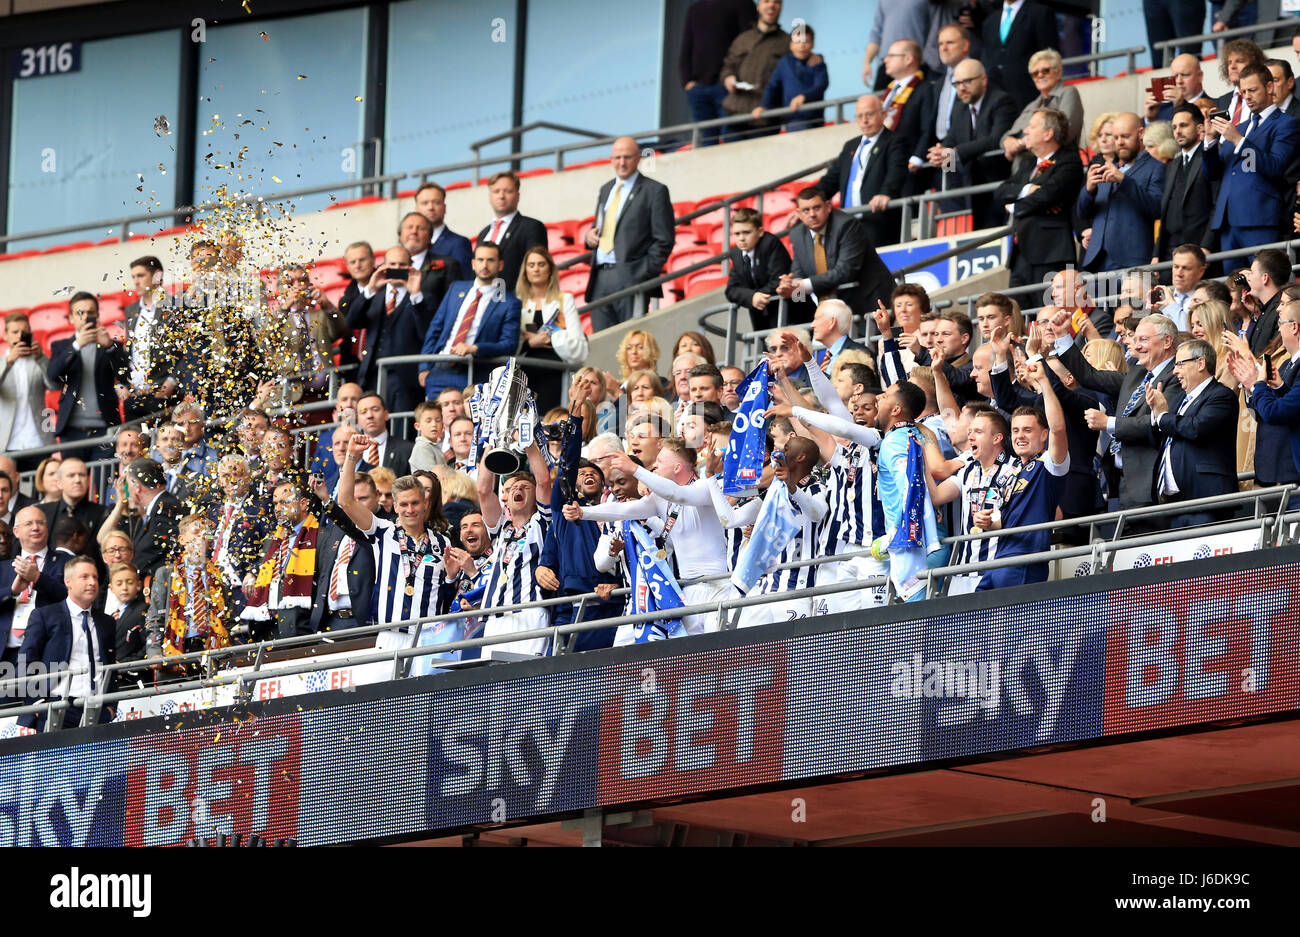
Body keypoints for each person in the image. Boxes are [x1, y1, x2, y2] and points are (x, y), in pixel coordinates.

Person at [568, 440, 733, 636]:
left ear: (677, 467)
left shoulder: (705, 487)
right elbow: (623, 509)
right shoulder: (659, 499)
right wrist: (583, 512)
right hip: (687, 591)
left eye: (660, 461)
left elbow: (677, 493)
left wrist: (635, 469)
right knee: (692, 661)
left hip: (719, 586)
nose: (655, 465)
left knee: (721, 654)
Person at [1054, 313, 1184, 522]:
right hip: (1122, 482)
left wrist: (1108, 423)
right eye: (1135, 340)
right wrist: (1062, 337)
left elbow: (1158, 423)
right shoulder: (1136, 375)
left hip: (1152, 484)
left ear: (1167, 341)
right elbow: (1089, 376)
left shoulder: (1177, 375)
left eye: (1143, 340)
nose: (1137, 346)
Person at [536, 387, 622, 652]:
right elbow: (567, 464)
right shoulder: (566, 509)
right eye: (582, 472)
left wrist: (618, 585)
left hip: (613, 604)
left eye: (594, 471)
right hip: (573, 603)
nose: (588, 474)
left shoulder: (620, 509)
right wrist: (575, 414)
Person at [973, 361, 1070, 589]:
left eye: (1028, 430)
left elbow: (1058, 428)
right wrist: (988, 523)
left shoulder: (1050, 464)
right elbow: (1009, 521)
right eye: (1015, 430)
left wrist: (1045, 382)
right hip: (999, 559)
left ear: (1043, 434)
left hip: (1024, 560)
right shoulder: (1013, 468)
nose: (1020, 436)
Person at [1203, 63, 1300, 253]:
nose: (1247, 96)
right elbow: (1212, 173)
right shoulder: (1238, 127)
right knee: (1235, 281)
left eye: (1253, 90)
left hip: (1260, 220)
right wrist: (1210, 140)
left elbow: (1275, 166)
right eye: (1243, 91)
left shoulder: (1286, 124)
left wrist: (1239, 141)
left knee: (1261, 280)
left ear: (1269, 87)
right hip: (1228, 223)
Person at [474, 434, 555, 657]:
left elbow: (544, 481)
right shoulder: (500, 527)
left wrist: (528, 440)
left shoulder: (542, 522)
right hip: (495, 616)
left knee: (526, 680)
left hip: (529, 612)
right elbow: (483, 490)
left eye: (525, 487)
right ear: (506, 499)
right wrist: (492, 442)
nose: (517, 489)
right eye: (511, 489)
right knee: (492, 684)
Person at [583, 137, 675, 332]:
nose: (621, 162)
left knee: (629, 343)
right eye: (617, 157)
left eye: (627, 157)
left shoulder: (655, 191)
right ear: (610, 159)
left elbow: (664, 239)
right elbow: (599, 226)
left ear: (638, 158)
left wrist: (642, 272)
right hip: (599, 277)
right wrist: (589, 238)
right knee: (602, 344)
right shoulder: (605, 189)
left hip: (632, 278)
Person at [1148, 339, 1240, 527]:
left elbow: (1196, 428)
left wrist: (1163, 416)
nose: (1175, 371)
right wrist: (1155, 413)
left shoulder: (1221, 396)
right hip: (1175, 502)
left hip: (1206, 499)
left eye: (1180, 364)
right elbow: (1161, 435)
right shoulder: (1179, 399)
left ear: (1200, 363)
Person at [17, 555, 115, 730]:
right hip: (55, 705)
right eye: (84, 577)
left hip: (97, 708)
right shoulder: (45, 615)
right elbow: (26, 660)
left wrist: (111, 708)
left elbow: (110, 665)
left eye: (95, 577)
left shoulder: (106, 622)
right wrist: (37, 703)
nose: (92, 582)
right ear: (68, 582)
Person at [420, 241, 522, 400]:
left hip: (475, 373)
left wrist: (475, 348)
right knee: (437, 422)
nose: (485, 265)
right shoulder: (456, 288)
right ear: (473, 264)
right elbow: (435, 328)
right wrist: (424, 367)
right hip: (440, 369)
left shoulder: (510, 303)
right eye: (480, 260)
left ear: (500, 265)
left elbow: (509, 344)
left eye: (491, 260)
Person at [996, 108, 1083, 288]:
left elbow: (1047, 196)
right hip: (1020, 256)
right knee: (1019, 313)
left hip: (1050, 253)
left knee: (1049, 313)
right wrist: (1028, 189)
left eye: (1032, 126)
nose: (1026, 131)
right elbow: (1001, 192)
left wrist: (1014, 207)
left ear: (1048, 134)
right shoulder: (1028, 163)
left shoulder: (1069, 161)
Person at [778, 187, 894, 321]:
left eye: (816, 208)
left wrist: (803, 285)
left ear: (828, 206)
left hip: (869, 301)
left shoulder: (847, 225)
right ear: (798, 213)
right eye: (806, 210)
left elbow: (845, 271)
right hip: (830, 310)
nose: (812, 214)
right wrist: (791, 284)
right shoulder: (797, 234)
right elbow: (799, 271)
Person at [927, 58, 1017, 229]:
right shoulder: (959, 108)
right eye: (957, 83)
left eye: (967, 81)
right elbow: (952, 138)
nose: (961, 88)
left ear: (983, 80)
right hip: (974, 188)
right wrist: (942, 151)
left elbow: (996, 139)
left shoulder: (1001, 101)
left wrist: (955, 153)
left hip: (1000, 184)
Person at [349, 245, 434, 413]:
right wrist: (371, 288)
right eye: (392, 264)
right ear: (382, 267)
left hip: (406, 379)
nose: (397, 269)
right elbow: (352, 321)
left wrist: (416, 294)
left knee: (402, 427)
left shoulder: (423, 297)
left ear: (411, 267)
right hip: (373, 375)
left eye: (402, 265)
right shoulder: (374, 296)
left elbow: (426, 333)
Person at [1075, 113, 1164, 272]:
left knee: (1131, 298)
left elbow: (1157, 208)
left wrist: (1123, 180)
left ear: (1141, 134)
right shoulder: (1107, 167)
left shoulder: (1156, 167)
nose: (1120, 142)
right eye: (1116, 138)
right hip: (1096, 259)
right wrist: (1089, 189)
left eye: (1125, 136)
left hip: (1131, 260)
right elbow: (1082, 212)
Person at [1229, 299, 1300, 499]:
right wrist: (1277, 387)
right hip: (1275, 472)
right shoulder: (1287, 367)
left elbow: (1276, 411)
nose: (1278, 329)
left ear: (1294, 327)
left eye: (1280, 323)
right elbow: (1271, 409)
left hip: (1291, 472)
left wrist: (1256, 383)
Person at [819, 95, 908, 250]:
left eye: (869, 114)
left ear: (883, 114)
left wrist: (886, 193)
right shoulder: (850, 146)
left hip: (876, 221)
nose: (864, 121)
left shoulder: (894, 141)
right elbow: (831, 180)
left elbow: (897, 170)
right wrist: (808, 199)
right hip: (848, 224)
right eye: (860, 116)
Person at [46, 292, 128, 454]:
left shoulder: (112, 345)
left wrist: (110, 347)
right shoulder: (61, 346)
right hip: (71, 430)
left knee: (104, 479)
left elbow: (127, 376)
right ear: (71, 318)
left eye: (90, 312)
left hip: (105, 429)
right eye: (80, 313)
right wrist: (76, 346)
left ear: (97, 315)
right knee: (71, 478)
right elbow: (53, 375)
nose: (85, 317)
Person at [517, 245, 588, 412]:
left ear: (550, 269)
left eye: (541, 264)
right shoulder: (518, 302)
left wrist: (550, 338)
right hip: (526, 372)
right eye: (531, 265)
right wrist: (530, 342)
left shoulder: (565, 299)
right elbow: (513, 342)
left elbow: (578, 345)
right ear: (525, 270)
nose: (536, 269)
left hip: (555, 371)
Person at [679, 0, 757, 147]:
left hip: (729, 87)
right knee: (705, 148)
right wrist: (687, 82)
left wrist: (737, 78)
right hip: (699, 89)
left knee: (732, 143)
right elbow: (686, 48)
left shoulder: (743, 4)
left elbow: (750, 46)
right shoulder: (695, 9)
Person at [308, 471, 376, 634]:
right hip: (330, 621)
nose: (355, 505)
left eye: (363, 499)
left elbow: (352, 527)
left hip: (362, 623)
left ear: (377, 496)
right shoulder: (335, 532)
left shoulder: (382, 530)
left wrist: (327, 500)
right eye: (351, 500)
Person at [0, 505, 69, 668]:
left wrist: (38, 578)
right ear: (16, 531)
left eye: (40, 523)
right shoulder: (2, 568)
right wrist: (12, 591)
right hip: (5, 651)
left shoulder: (65, 562)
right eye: (29, 523)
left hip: (45, 651)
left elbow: (72, 597)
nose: (35, 527)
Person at [1001, 49, 1084, 166]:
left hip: (1058, 166)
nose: (1040, 75)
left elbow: (1065, 132)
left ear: (1058, 72)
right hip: (1025, 170)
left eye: (1046, 71)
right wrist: (1007, 142)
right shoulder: (1033, 105)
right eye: (1035, 73)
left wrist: (1020, 143)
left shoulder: (1068, 93)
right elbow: (1008, 135)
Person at [719, 0, 790, 137]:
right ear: (758, 7)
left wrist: (816, 60)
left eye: (776, 2)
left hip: (766, 118)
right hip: (734, 113)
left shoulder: (787, 43)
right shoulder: (742, 39)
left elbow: (798, 69)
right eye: (766, 1)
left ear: (780, 7)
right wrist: (728, 78)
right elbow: (728, 67)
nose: (771, 5)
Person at [121, 255, 179, 422]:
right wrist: (122, 384)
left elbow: (185, 352)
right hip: (134, 396)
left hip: (163, 395)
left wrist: (172, 382)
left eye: (140, 276)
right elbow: (130, 353)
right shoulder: (130, 311)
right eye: (133, 277)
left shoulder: (175, 307)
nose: (136, 281)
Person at [1155, 105, 1213, 262]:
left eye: (1183, 125)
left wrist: (1207, 245)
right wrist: (1156, 253)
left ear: (1200, 128)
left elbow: (1217, 205)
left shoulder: (1211, 157)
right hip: (1169, 250)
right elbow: (1165, 211)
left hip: (1197, 247)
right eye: (1174, 127)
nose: (1177, 131)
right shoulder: (1173, 164)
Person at [725, 207, 794, 333]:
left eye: (746, 232)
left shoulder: (771, 244)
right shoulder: (736, 253)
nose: (741, 238)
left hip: (790, 314)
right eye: (737, 234)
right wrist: (752, 297)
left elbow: (778, 281)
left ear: (760, 231)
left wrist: (757, 295)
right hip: (761, 320)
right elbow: (731, 290)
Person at [981, 0, 1058, 111]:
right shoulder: (990, 21)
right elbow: (987, 59)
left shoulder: (1040, 13)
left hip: (1029, 96)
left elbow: (1049, 56)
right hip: (996, 98)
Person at [751, 22, 828, 133]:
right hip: (793, 118)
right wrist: (764, 106)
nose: (802, 45)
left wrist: (804, 97)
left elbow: (821, 85)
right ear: (791, 45)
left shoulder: (818, 63)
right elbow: (772, 86)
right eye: (797, 41)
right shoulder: (784, 63)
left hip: (816, 118)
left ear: (813, 44)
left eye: (806, 41)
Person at [476, 172, 548, 289]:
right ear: (490, 197)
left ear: (518, 196)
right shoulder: (484, 233)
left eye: (508, 191)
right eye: (496, 191)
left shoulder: (532, 227)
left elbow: (535, 270)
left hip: (516, 300)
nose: (501, 196)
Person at [1, 311, 56, 462]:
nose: (19, 336)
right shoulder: (1, 363)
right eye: (14, 332)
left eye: (24, 332)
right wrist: (8, 362)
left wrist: (41, 358)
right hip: (6, 443)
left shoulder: (39, 360)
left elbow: (54, 385)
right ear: (5, 335)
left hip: (38, 440)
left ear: (30, 334)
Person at [118, 457, 184, 580]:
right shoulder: (159, 506)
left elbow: (163, 548)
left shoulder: (165, 506)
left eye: (128, 484)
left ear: (136, 485)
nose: (127, 490)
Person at [862, 0, 935, 89]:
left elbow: (935, 29)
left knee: (914, 99)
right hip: (887, 66)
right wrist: (867, 62)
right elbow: (876, 33)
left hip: (916, 64)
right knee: (880, 100)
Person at [414, 182, 474, 276]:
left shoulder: (459, 243)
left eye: (436, 202)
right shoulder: (409, 245)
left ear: (444, 208)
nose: (430, 207)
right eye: (425, 203)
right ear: (416, 209)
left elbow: (463, 283)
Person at [1241, 249, 1290, 356]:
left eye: (1252, 272)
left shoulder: (1282, 312)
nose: (1247, 277)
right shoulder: (1263, 311)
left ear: (1265, 278)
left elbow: (1271, 358)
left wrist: (1242, 350)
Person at [353, 392, 413, 478]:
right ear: (357, 419)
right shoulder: (352, 451)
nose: (369, 415)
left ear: (386, 414)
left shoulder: (407, 449)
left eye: (375, 409)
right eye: (363, 412)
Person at [1150, 245, 1207, 331]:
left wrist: (1171, 305)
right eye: (1176, 267)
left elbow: (1189, 334)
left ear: (1200, 271)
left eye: (1186, 268)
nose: (1179, 273)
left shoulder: (1207, 300)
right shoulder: (1160, 302)